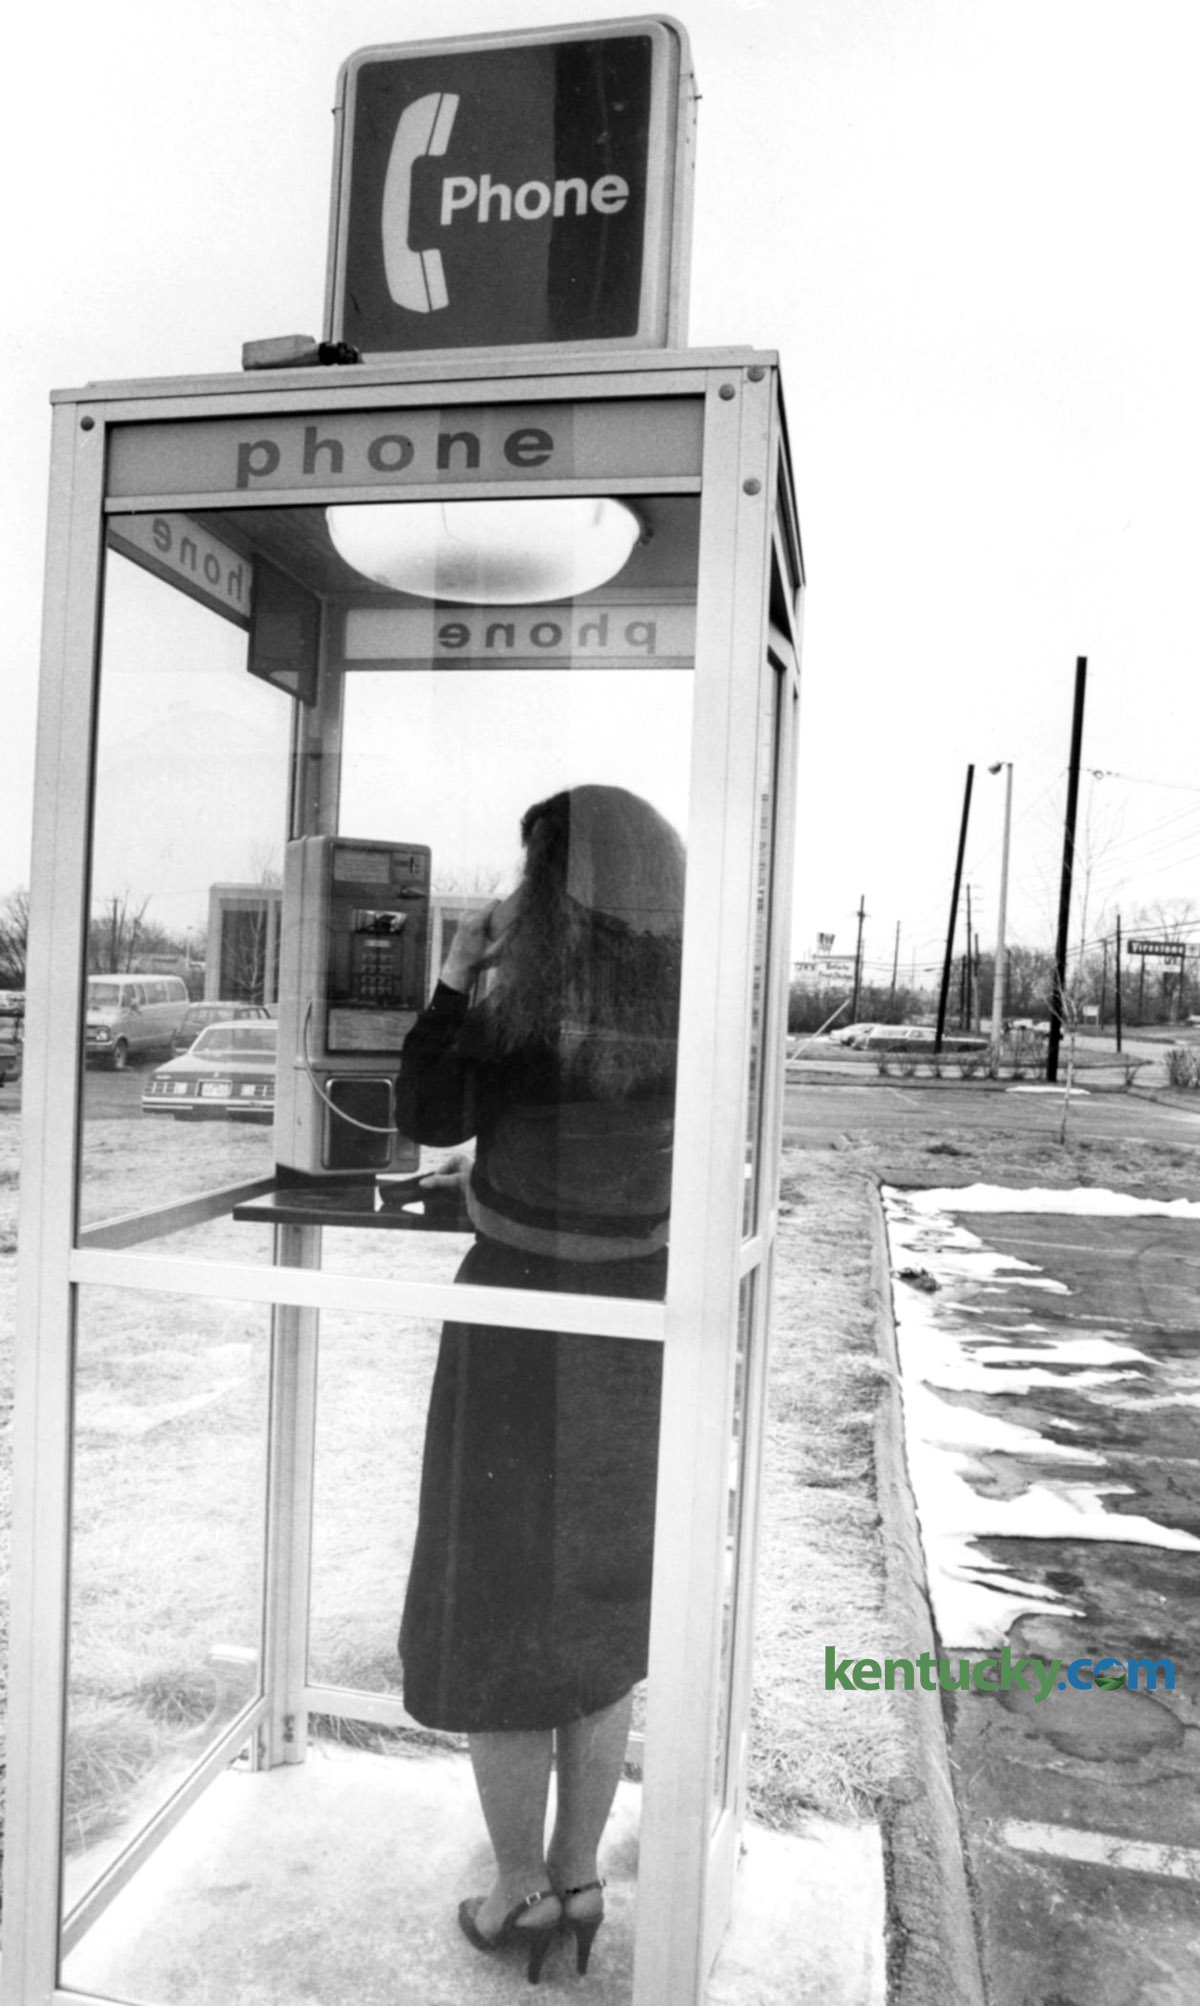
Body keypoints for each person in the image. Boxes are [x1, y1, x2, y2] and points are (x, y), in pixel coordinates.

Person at [396, 784, 685, 1984]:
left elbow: (422, 1114)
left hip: (518, 1317)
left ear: (549, 882)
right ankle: (577, 1879)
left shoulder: (520, 1008)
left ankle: (517, 1891)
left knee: (500, 1596)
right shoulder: (681, 999)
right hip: (635, 1323)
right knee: (601, 1607)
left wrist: (457, 976)